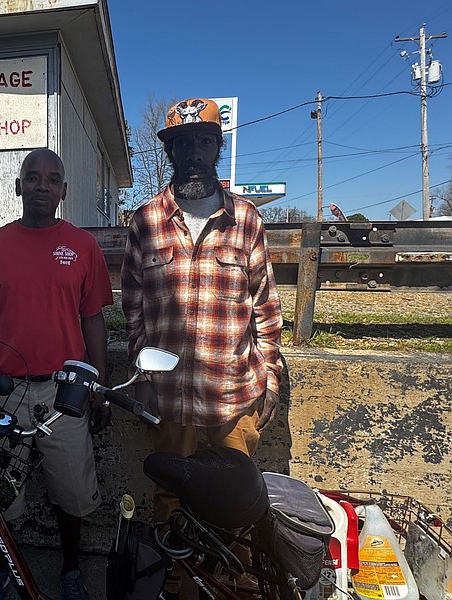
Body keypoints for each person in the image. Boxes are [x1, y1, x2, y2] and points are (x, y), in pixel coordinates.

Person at [120, 98, 283, 599]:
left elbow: (266, 311)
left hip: (233, 396)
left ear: (217, 147)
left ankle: (233, 587)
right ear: (170, 151)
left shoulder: (246, 220)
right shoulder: (146, 221)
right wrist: (143, 377)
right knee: (168, 502)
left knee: (236, 504)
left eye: (204, 141)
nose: (194, 151)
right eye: (183, 143)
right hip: (168, 400)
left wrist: (269, 379)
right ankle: (175, 588)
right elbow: (133, 307)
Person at [0, 148, 113, 600]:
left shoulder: (83, 247)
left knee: (73, 493)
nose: (41, 185)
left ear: (64, 190)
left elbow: (94, 322)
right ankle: (0, 566)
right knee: (2, 496)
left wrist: (99, 389)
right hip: (4, 391)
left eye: (52, 179)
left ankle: (70, 570)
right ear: (18, 186)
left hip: (63, 394)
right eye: (32, 177)